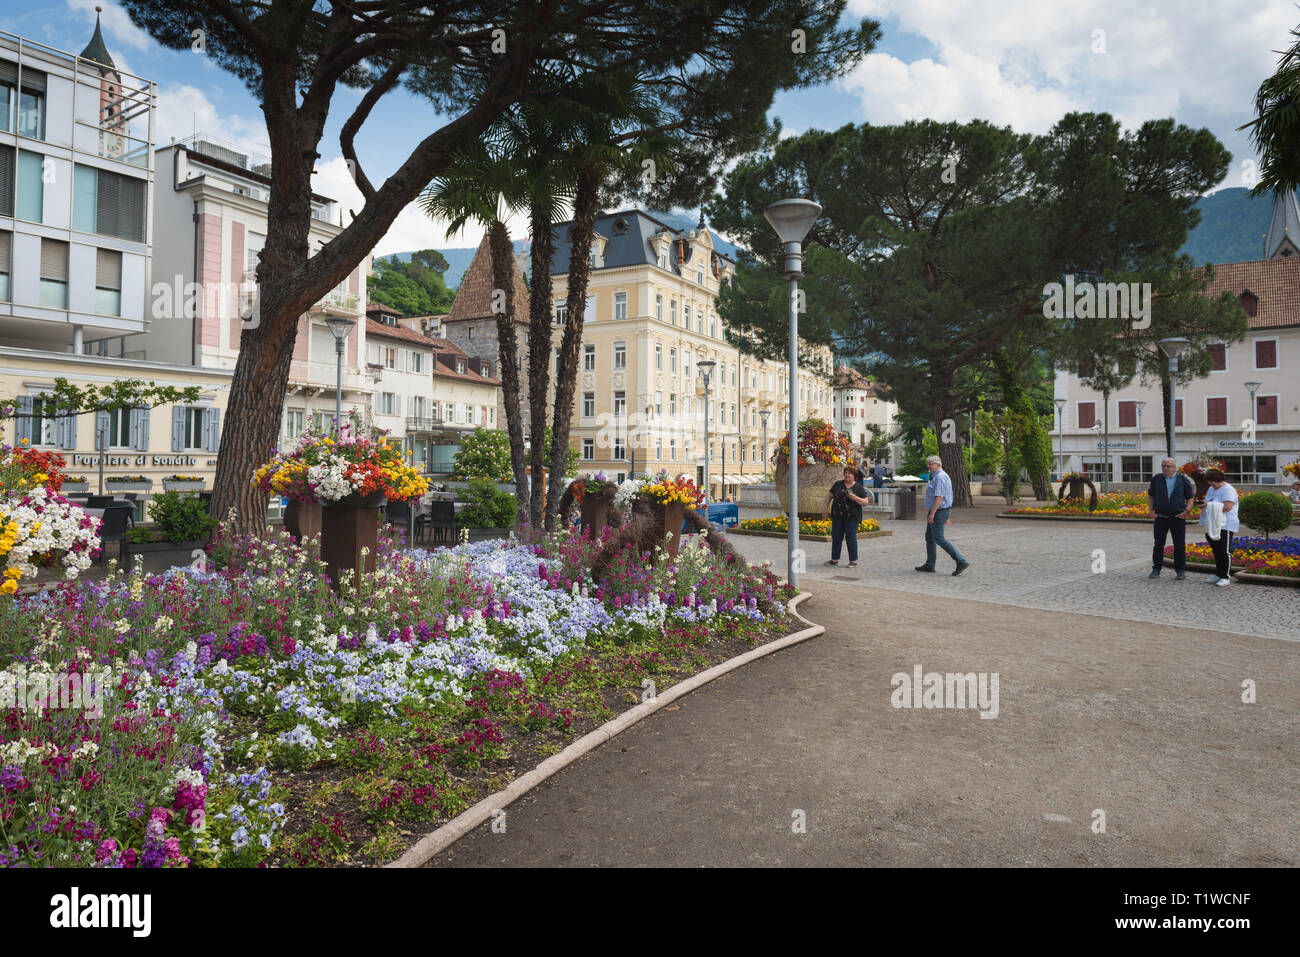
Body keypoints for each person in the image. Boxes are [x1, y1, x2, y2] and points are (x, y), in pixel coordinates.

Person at [916, 455, 969, 576]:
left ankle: (961, 561)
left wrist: (933, 513)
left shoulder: (940, 477)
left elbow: (940, 497)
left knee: (939, 538)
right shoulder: (937, 477)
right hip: (939, 511)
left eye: (930, 464)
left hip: (938, 511)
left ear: (937, 464)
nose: (928, 466)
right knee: (929, 537)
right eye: (928, 464)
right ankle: (930, 564)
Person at [1146, 458, 1195, 580]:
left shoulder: (1182, 480)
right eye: (1163, 466)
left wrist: (1187, 511)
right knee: (1158, 544)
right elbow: (1151, 495)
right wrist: (1151, 511)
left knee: (1179, 545)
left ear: (1174, 467)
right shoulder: (1157, 479)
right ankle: (1156, 569)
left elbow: (1190, 497)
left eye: (1168, 466)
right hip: (1160, 517)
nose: (1165, 468)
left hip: (1177, 518)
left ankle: (1180, 570)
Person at [823, 466, 873, 567]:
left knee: (851, 538)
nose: (847, 475)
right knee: (836, 537)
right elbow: (829, 496)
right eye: (845, 473)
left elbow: (866, 502)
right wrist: (825, 508)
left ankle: (853, 561)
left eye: (849, 473)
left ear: (854, 476)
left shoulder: (859, 488)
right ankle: (834, 559)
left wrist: (854, 497)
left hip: (852, 517)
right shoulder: (838, 484)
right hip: (837, 516)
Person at [1199, 467, 1238, 587]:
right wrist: (1203, 504)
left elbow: (1227, 507)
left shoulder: (1228, 489)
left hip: (1225, 524)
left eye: (1212, 482)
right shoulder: (1211, 488)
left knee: (1223, 551)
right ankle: (1218, 573)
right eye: (1209, 482)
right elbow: (1209, 501)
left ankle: (1225, 576)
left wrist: (1208, 505)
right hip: (1212, 522)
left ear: (1218, 479)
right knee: (1215, 550)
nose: (1211, 484)